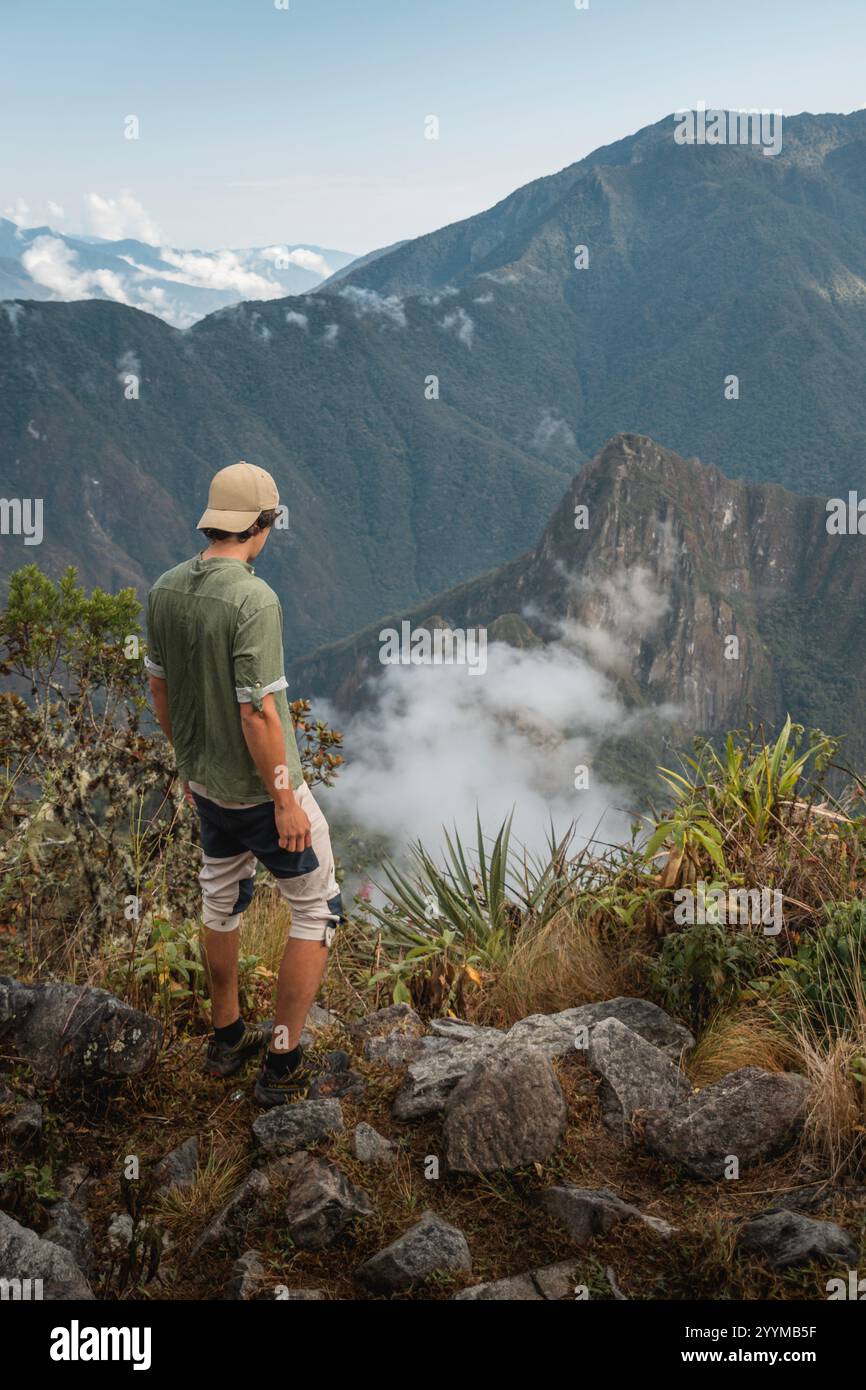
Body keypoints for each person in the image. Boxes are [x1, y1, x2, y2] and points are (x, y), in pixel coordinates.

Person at [145, 460, 340, 1106]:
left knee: (220, 901)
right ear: (261, 525)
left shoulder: (166, 589)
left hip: (208, 789)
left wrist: (191, 760)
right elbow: (258, 711)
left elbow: (159, 688)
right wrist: (285, 798)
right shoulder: (255, 600)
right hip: (262, 795)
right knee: (319, 908)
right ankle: (283, 1062)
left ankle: (226, 1037)